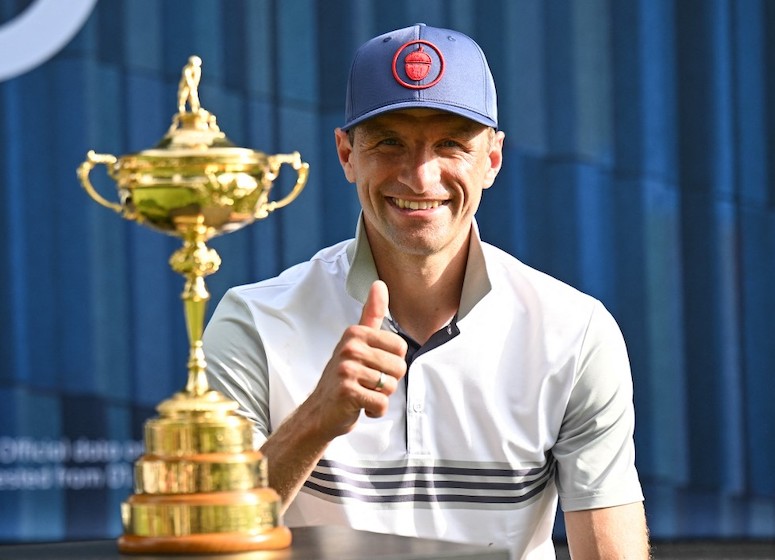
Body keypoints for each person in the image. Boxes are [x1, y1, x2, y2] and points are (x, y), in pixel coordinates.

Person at [203, 23, 650, 559]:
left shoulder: (575, 331)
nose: (420, 176)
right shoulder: (254, 321)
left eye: (451, 145)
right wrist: (315, 420)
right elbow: (206, 541)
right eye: (390, 142)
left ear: (492, 159)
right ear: (346, 154)